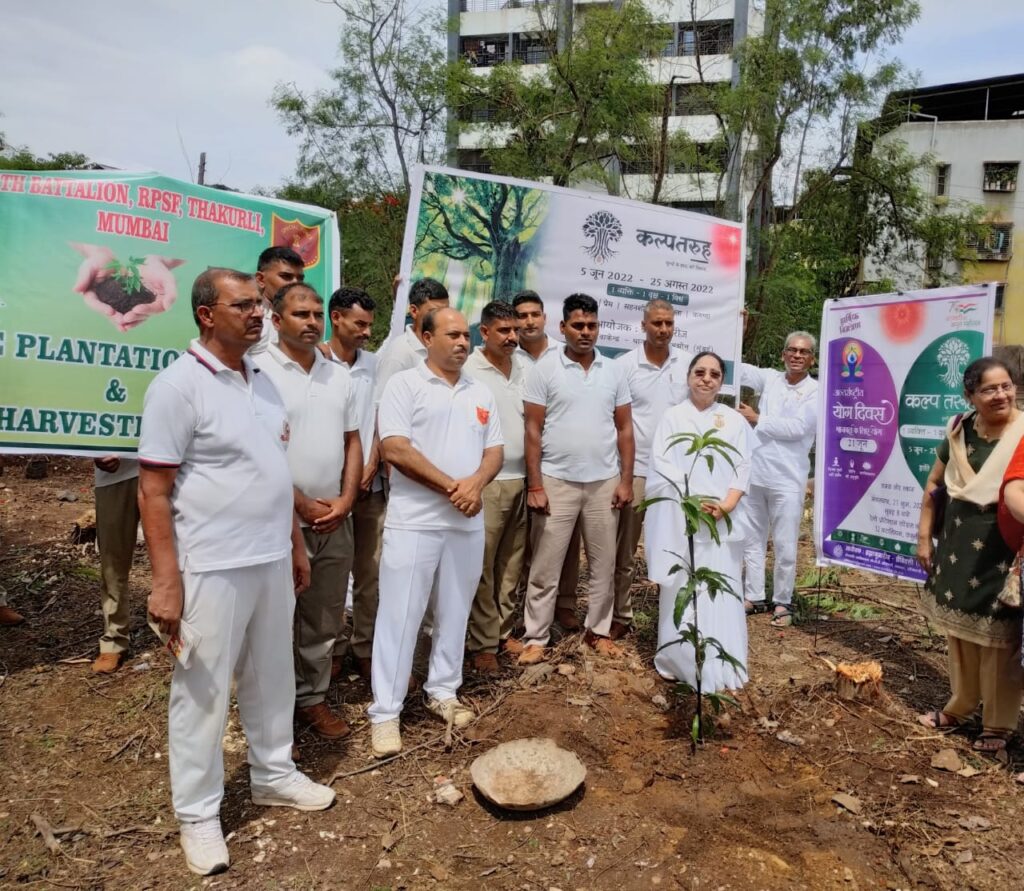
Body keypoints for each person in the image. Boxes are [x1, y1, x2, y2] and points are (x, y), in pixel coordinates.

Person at [139, 268, 333, 877]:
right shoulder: (178, 386)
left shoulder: (263, 381)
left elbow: (273, 472)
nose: (259, 314)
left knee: (272, 673)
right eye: (244, 305)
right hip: (210, 565)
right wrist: (167, 580)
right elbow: (152, 490)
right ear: (206, 313)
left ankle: (273, 772)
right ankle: (198, 814)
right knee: (201, 689)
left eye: (261, 305)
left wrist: (295, 545)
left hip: (271, 558)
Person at [369, 307, 503, 757]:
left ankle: (443, 690)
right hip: (417, 520)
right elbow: (395, 448)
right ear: (426, 338)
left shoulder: (479, 390)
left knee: (455, 610)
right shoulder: (404, 385)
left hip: (465, 521)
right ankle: (385, 713)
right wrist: (454, 487)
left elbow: (495, 451)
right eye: (453, 335)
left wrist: (475, 485)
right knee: (400, 614)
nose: (463, 343)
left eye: (466, 335)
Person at [255, 282, 362, 740]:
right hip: (280, 518)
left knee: (324, 615)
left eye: (317, 313)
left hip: (335, 516)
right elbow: (258, 449)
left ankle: (311, 699)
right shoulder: (257, 372)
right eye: (301, 314)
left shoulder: (339, 375)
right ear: (276, 321)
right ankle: (272, 716)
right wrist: (299, 501)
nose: (312, 321)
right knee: (275, 618)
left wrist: (346, 499)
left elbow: (354, 441)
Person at [518, 293, 635, 665]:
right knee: (546, 565)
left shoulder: (613, 370)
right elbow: (532, 430)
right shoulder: (545, 370)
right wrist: (535, 485)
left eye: (592, 326)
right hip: (556, 481)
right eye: (578, 325)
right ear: (563, 326)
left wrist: (626, 480)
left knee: (602, 564)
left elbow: (625, 428)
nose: (586, 333)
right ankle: (536, 636)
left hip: (604, 481)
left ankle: (597, 631)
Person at [916, 357, 1024, 753]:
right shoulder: (960, 433)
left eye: (1006, 386)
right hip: (959, 549)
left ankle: (998, 724)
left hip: (1005, 552)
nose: (1001, 395)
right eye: (989, 389)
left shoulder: (1023, 433)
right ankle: (960, 707)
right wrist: (925, 537)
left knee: (1000, 640)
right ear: (970, 395)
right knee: (960, 635)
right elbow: (933, 485)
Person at [645, 352, 753, 690]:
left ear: (722, 381)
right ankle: (680, 658)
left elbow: (743, 466)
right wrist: (689, 498)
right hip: (683, 514)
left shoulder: (734, 420)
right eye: (700, 372)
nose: (707, 379)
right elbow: (661, 461)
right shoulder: (673, 417)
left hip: (721, 517)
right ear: (689, 376)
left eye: (715, 374)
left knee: (719, 585)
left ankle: (721, 660)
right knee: (683, 584)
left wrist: (726, 505)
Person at [608, 299, 690, 639]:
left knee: (677, 546)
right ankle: (620, 615)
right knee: (624, 550)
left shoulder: (687, 365)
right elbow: (615, 420)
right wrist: (624, 476)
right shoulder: (624, 366)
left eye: (669, 323)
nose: (663, 329)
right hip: (637, 471)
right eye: (657, 323)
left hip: (677, 475)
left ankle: (675, 619)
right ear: (643, 325)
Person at [463, 301, 528, 672]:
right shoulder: (469, 369)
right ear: (484, 332)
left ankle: (503, 632)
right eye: (503, 331)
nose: (512, 337)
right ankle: (482, 643)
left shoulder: (525, 367)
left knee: (511, 563)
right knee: (483, 565)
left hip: (522, 479)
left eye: (515, 330)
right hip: (488, 481)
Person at [738, 331, 818, 627]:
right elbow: (741, 369)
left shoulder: (815, 391)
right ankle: (754, 595)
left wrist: (758, 419)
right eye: (792, 350)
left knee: (785, 544)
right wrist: (739, 327)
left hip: (788, 479)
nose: (797, 356)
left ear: (812, 359)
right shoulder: (771, 378)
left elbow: (798, 428)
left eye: (803, 352)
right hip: (756, 472)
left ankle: (783, 600)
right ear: (783, 354)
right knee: (752, 539)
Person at [326, 287, 385, 682]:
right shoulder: (316, 365)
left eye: (369, 325)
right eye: (359, 324)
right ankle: (330, 649)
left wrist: (372, 463)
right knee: (330, 578)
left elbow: (383, 419)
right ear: (336, 318)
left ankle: (365, 647)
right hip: (329, 493)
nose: (366, 332)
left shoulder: (376, 366)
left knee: (370, 574)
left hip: (371, 489)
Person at [512, 290, 577, 629]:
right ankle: (524, 612)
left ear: (545, 318)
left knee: (562, 540)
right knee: (521, 543)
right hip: (516, 464)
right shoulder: (508, 354)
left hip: (557, 465)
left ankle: (564, 605)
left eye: (534, 314)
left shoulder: (563, 353)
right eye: (521, 316)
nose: (528, 321)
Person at [91, 456, 141, 673]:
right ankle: (114, 639)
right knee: (113, 560)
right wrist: (96, 449)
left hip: (172, 465)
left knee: (182, 550)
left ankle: (185, 630)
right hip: (116, 473)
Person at [373, 277, 450, 402]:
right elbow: (382, 405)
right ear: (414, 311)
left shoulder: (444, 349)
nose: (441, 318)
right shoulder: (399, 354)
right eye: (433, 312)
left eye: (445, 311)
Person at [250, 246, 305, 354]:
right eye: (286, 276)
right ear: (261, 279)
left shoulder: (306, 316)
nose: (295, 284)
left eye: (300, 278)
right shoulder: (248, 314)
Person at [513, 290, 560, 365]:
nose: (530, 322)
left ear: (544, 318)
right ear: (514, 321)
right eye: (523, 316)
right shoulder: (506, 356)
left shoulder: (565, 353)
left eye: (535, 315)